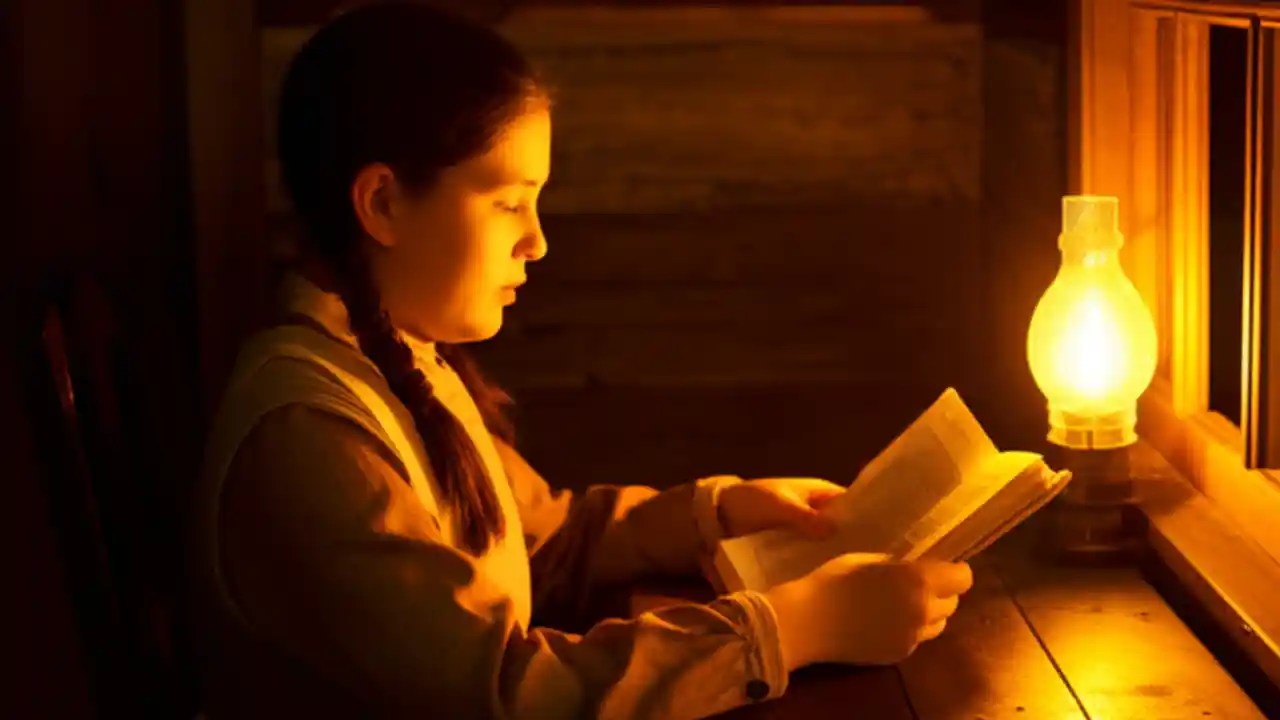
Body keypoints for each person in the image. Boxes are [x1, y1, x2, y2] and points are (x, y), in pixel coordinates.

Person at [188, 3, 974, 717]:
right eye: (508, 204)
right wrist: (793, 629)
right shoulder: (308, 432)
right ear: (385, 203)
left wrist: (721, 510)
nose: (537, 242)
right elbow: (504, 691)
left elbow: (537, 541)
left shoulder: (397, 358)